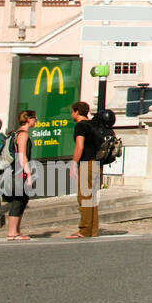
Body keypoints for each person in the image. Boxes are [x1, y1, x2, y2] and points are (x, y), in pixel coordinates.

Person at [68, 101, 101, 239]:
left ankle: (84, 229)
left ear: (76, 112)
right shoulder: (93, 125)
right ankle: (92, 229)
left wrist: (74, 163)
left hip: (86, 164)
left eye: (72, 111)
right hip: (95, 164)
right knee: (91, 198)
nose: (71, 114)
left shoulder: (80, 126)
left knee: (84, 198)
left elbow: (79, 146)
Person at [1, 112, 34, 241]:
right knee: (18, 200)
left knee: (22, 199)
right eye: (34, 118)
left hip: (14, 171)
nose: (35, 120)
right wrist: (29, 174)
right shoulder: (23, 134)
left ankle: (17, 231)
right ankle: (12, 233)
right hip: (18, 172)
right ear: (28, 119)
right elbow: (22, 155)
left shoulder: (16, 133)